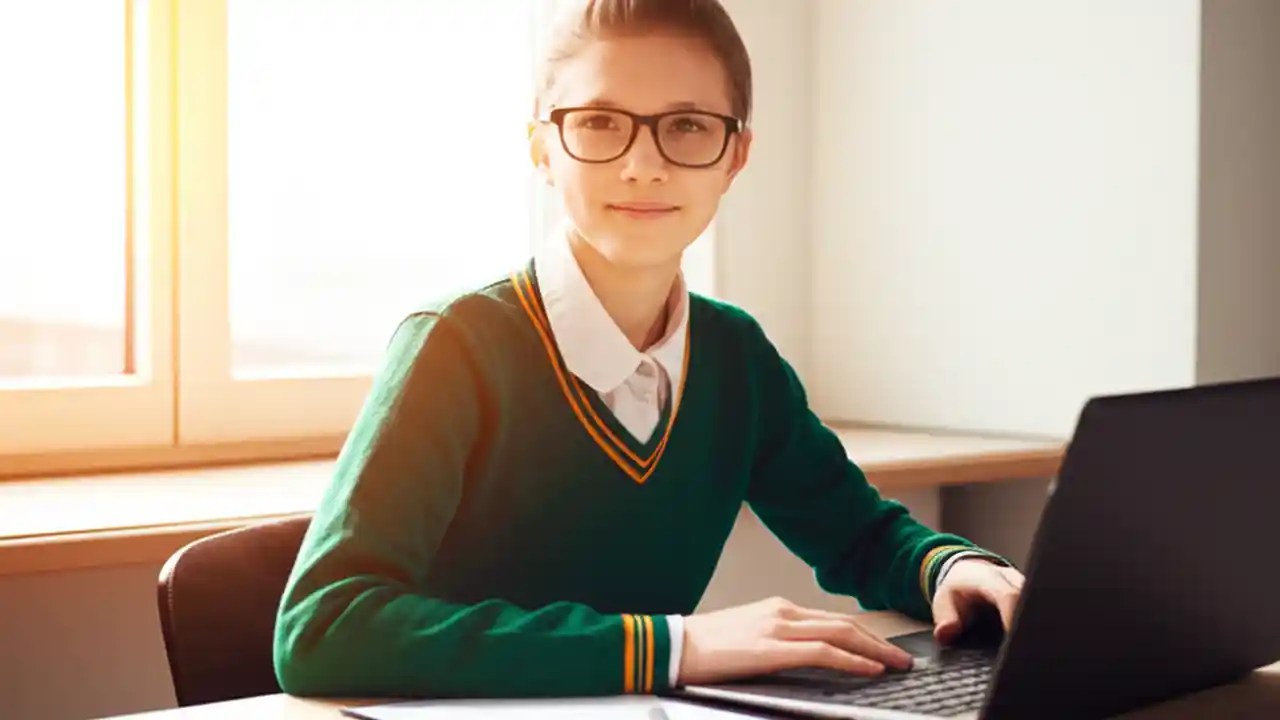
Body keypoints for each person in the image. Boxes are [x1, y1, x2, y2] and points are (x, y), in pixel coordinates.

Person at [273, 0, 1025, 699]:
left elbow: (858, 534)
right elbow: (323, 628)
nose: (644, 163)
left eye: (689, 125)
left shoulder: (735, 357)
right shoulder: (456, 345)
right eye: (600, 122)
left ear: (737, 156)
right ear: (541, 148)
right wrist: (675, 646)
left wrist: (950, 566)